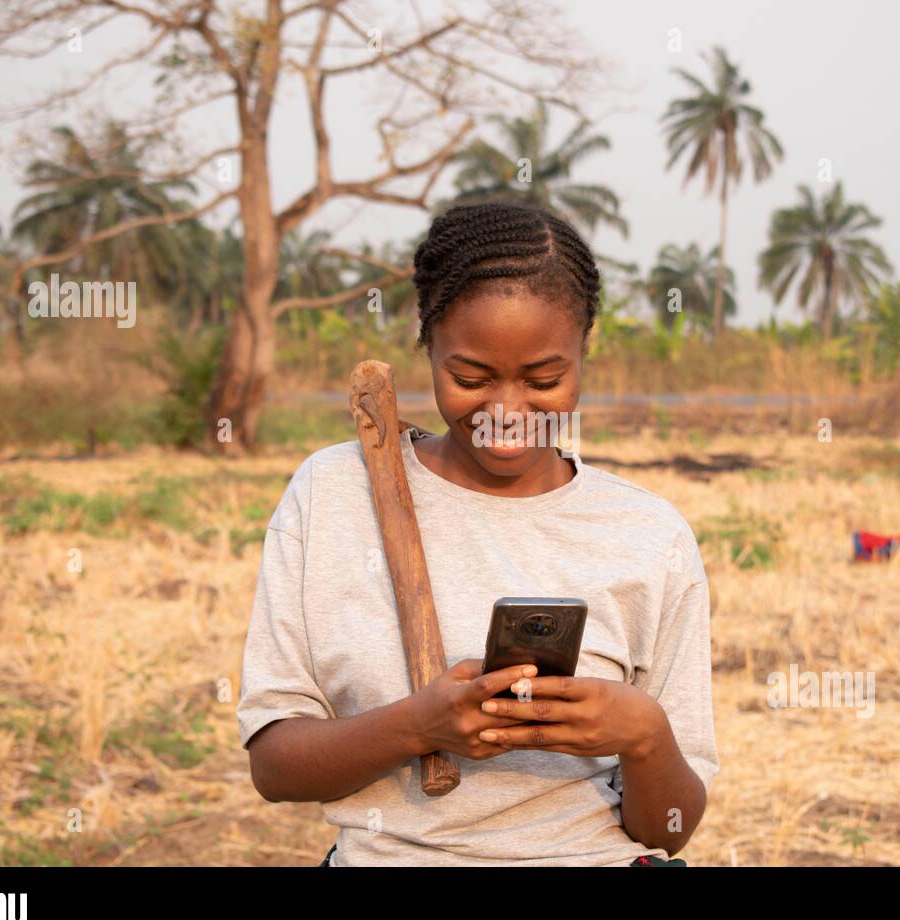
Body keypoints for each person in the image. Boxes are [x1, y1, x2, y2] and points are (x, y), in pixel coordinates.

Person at [237, 200, 718, 866]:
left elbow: (668, 830)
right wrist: (416, 726)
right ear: (426, 345)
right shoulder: (332, 494)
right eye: (471, 378)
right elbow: (276, 768)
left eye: (545, 379)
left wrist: (645, 737)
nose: (506, 412)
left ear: (584, 352)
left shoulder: (647, 535)